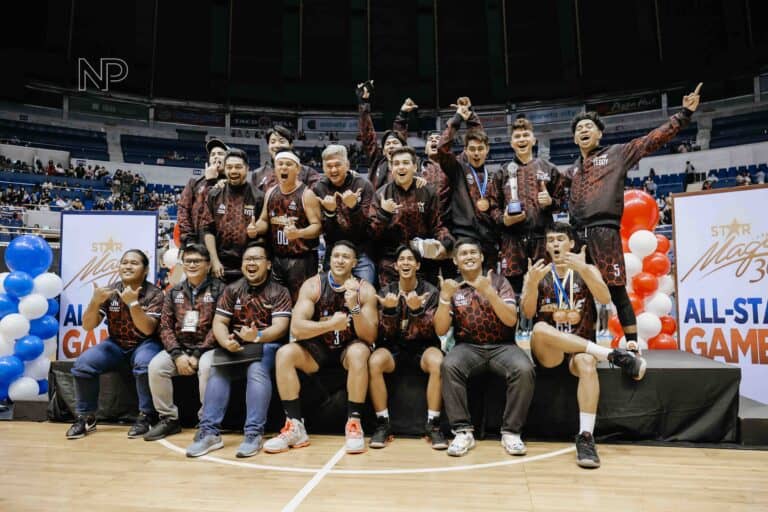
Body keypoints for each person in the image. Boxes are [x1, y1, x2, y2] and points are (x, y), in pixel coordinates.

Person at [564, 82, 703, 353]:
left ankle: (631, 344)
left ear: (599, 134)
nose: (583, 131)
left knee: (617, 288)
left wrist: (683, 115)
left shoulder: (616, 154)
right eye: (579, 129)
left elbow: (651, 140)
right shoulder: (572, 171)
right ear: (574, 139)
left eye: (588, 127)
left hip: (605, 231)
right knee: (581, 291)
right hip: (577, 236)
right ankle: (586, 347)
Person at [521, 223, 647, 468]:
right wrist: (532, 284)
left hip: (579, 351)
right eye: (550, 240)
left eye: (560, 239)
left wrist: (586, 270)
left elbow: (605, 299)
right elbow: (527, 312)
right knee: (538, 328)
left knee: (588, 364)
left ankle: (586, 437)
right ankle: (611, 355)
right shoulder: (537, 272)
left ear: (571, 244)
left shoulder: (586, 269)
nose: (554, 244)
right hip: (550, 352)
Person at [264, 241, 378, 454]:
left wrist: (354, 307)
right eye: (336, 256)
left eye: (346, 257)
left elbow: (370, 336)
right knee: (284, 354)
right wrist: (330, 325)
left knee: (360, 352)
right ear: (329, 260)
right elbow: (296, 328)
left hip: (348, 347)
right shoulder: (313, 285)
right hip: (318, 349)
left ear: (354, 263)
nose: (340, 260)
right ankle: (295, 426)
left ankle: (354, 424)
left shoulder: (365, 290)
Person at [186, 245, 293, 458]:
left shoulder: (279, 291)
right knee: (218, 369)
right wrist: (225, 341)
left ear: (268, 264)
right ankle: (210, 433)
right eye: (247, 259)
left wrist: (258, 337)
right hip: (236, 346)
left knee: (256, 369)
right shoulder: (232, 289)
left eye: (256, 259)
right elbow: (219, 322)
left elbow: (281, 326)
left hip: (266, 345)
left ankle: (253, 433)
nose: (251, 263)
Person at [435, 238, 534, 457]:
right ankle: (462, 432)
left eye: (473, 252)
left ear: (481, 257)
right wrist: (443, 299)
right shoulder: (454, 287)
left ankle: (511, 433)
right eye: (463, 254)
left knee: (524, 369)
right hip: (468, 347)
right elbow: (441, 330)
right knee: (449, 365)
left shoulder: (499, 282)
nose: (468, 257)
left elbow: (510, 320)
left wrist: (489, 292)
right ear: (455, 260)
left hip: (503, 346)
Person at [66, 250, 164, 439]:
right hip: (116, 344)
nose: (128, 266)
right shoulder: (109, 291)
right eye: (124, 262)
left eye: (134, 263)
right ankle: (86, 417)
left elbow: (148, 330)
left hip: (146, 343)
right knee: (83, 365)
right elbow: (88, 325)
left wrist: (133, 304)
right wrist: (95, 302)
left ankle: (147, 416)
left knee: (144, 365)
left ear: (145, 270)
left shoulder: (155, 294)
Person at [368, 246, 447, 450]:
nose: (405, 263)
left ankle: (433, 424)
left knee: (438, 362)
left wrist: (417, 311)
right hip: (393, 346)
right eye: (401, 259)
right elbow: (383, 334)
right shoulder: (385, 292)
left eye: (410, 259)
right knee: (374, 361)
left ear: (418, 265)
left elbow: (431, 331)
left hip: (423, 345)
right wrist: (390, 311)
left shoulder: (431, 291)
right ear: (395, 266)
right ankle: (382, 423)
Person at [144, 244, 226, 441]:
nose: (191, 265)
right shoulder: (174, 291)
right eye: (187, 261)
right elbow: (165, 327)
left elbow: (220, 326)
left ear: (208, 265)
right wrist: (177, 355)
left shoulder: (221, 290)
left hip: (209, 349)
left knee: (206, 368)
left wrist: (197, 354)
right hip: (179, 349)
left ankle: (206, 421)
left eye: (197, 261)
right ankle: (168, 419)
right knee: (156, 367)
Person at [495, 115, 565, 293]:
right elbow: (493, 208)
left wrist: (551, 202)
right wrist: (503, 220)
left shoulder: (549, 168)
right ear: (511, 143)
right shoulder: (502, 173)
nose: (521, 139)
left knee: (545, 289)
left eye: (525, 135)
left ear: (533, 140)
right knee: (513, 292)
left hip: (541, 240)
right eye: (517, 136)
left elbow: (562, 202)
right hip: (512, 243)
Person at [369, 146, 454, 287]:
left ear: (415, 167)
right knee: (393, 304)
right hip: (392, 262)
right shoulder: (381, 195)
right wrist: (383, 214)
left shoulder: (427, 192)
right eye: (396, 164)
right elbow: (371, 234)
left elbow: (437, 225)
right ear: (390, 167)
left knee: (426, 304)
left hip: (423, 261)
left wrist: (445, 243)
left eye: (405, 163)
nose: (401, 167)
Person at [435, 97, 501, 270]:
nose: (476, 153)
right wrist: (457, 119)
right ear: (465, 151)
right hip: (464, 238)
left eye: (480, 149)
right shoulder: (457, 169)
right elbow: (442, 149)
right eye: (472, 149)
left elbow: (480, 136)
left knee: (489, 290)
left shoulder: (495, 176)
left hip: (488, 240)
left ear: (487, 150)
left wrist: (471, 116)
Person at [253, 150, 322, 302]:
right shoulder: (271, 192)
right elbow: (264, 220)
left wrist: (299, 233)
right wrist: (256, 228)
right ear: (275, 169)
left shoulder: (306, 194)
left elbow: (317, 227)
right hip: (277, 258)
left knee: (300, 303)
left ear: (297, 169)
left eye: (288, 164)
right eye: (280, 164)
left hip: (301, 259)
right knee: (275, 301)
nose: (284, 167)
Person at [312, 144, 376, 284]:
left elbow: (367, 228)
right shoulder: (319, 188)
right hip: (333, 251)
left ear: (347, 165)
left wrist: (354, 207)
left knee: (364, 294)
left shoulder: (363, 185)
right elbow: (322, 230)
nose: (333, 170)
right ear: (323, 168)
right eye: (329, 166)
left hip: (361, 251)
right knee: (330, 295)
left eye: (337, 165)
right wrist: (330, 212)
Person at [201, 148, 265, 283]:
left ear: (247, 168)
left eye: (238, 167)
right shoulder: (214, 194)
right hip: (220, 266)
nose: (233, 171)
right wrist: (214, 260)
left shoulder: (258, 197)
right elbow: (207, 229)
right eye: (229, 167)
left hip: (248, 267)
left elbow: (264, 233)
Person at [357, 80, 413, 190]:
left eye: (395, 143)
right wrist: (363, 103)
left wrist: (403, 114)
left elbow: (399, 134)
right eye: (388, 143)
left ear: (403, 147)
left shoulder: (412, 165)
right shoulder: (377, 162)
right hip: (378, 206)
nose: (391, 145)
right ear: (383, 150)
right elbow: (368, 136)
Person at [177, 139, 228, 250]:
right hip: (196, 242)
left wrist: (212, 182)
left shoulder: (231, 184)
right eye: (213, 154)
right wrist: (189, 239)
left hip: (222, 245)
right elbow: (183, 210)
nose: (216, 157)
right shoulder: (194, 183)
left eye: (220, 154)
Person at [251, 126, 320, 192]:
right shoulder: (258, 174)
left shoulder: (308, 173)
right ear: (268, 146)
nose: (277, 145)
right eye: (273, 142)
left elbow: (317, 198)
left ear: (291, 145)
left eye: (282, 141)